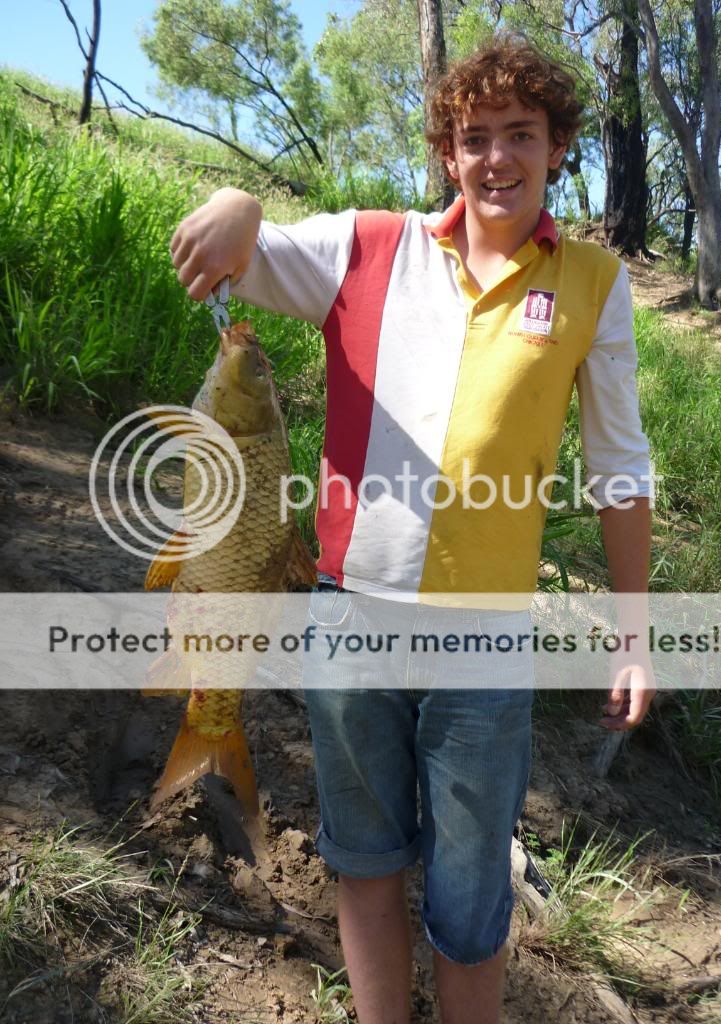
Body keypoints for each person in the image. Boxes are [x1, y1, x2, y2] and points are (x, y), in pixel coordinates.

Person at [170, 36, 656, 1024]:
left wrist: (635, 631)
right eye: (474, 138)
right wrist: (236, 202)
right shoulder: (367, 246)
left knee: (471, 904)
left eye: (521, 134)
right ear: (447, 153)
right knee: (364, 863)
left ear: (557, 147)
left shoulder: (596, 283)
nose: (496, 158)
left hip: (484, 641)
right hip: (350, 624)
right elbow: (240, 254)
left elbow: (620, 468)